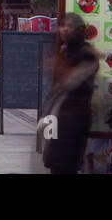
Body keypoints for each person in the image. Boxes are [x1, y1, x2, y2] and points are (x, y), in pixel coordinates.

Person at [40, 13, 99, 174]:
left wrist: (60, 70)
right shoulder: (63, 51)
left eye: (70, 26)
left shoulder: (86, 54)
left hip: (74, 120)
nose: (65, 29)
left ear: (78, 30)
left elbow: (73, 82)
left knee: (67, 166)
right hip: (59, 117)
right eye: (62, 25)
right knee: (55, 165)